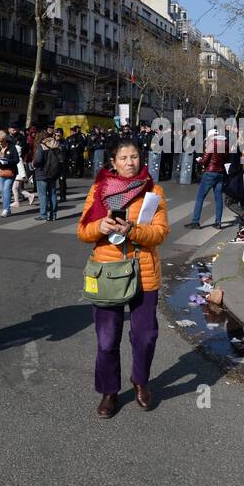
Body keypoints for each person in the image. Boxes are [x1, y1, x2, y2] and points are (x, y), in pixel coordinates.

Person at [77, 137, 170, 419]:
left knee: (145, 337)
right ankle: (109, 391)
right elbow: (82, 232)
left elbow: (160, 234)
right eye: (124, 158)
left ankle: (140, 381)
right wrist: (99, 226)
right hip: (107, 273)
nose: (131, 163)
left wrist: (132, 230)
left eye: (135, 157)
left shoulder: (153, 191)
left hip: (143, 272)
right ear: (113, 162)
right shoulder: (99, 189)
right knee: (107, 340)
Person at [188, 130, 228, 229]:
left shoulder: (212, 143)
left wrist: (199, 161)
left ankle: (195, 221)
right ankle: (218, 222)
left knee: (200, 196)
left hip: (210, 172)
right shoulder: (225, 143)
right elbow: (227, 158)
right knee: (218, 198)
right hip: (221, 172)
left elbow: (205, 160)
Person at [32, 132, 63, 221]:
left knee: (42, 195)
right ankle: (53, 214)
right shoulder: (56, 145)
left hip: (42, 173)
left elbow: (38, 160)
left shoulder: (42, 146)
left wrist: (34, 164)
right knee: (53, 193)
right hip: (53, 173)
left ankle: (43, 214)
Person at [0, 130, 18, 216]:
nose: (0, 143)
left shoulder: (12, 147)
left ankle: (6, 209)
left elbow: (16, 160)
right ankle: (7, 208)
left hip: (10, 172)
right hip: (0, 172)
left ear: (5, 139)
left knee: (6, 189)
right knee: (2, 191)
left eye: (1, 141)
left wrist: (7, 161)